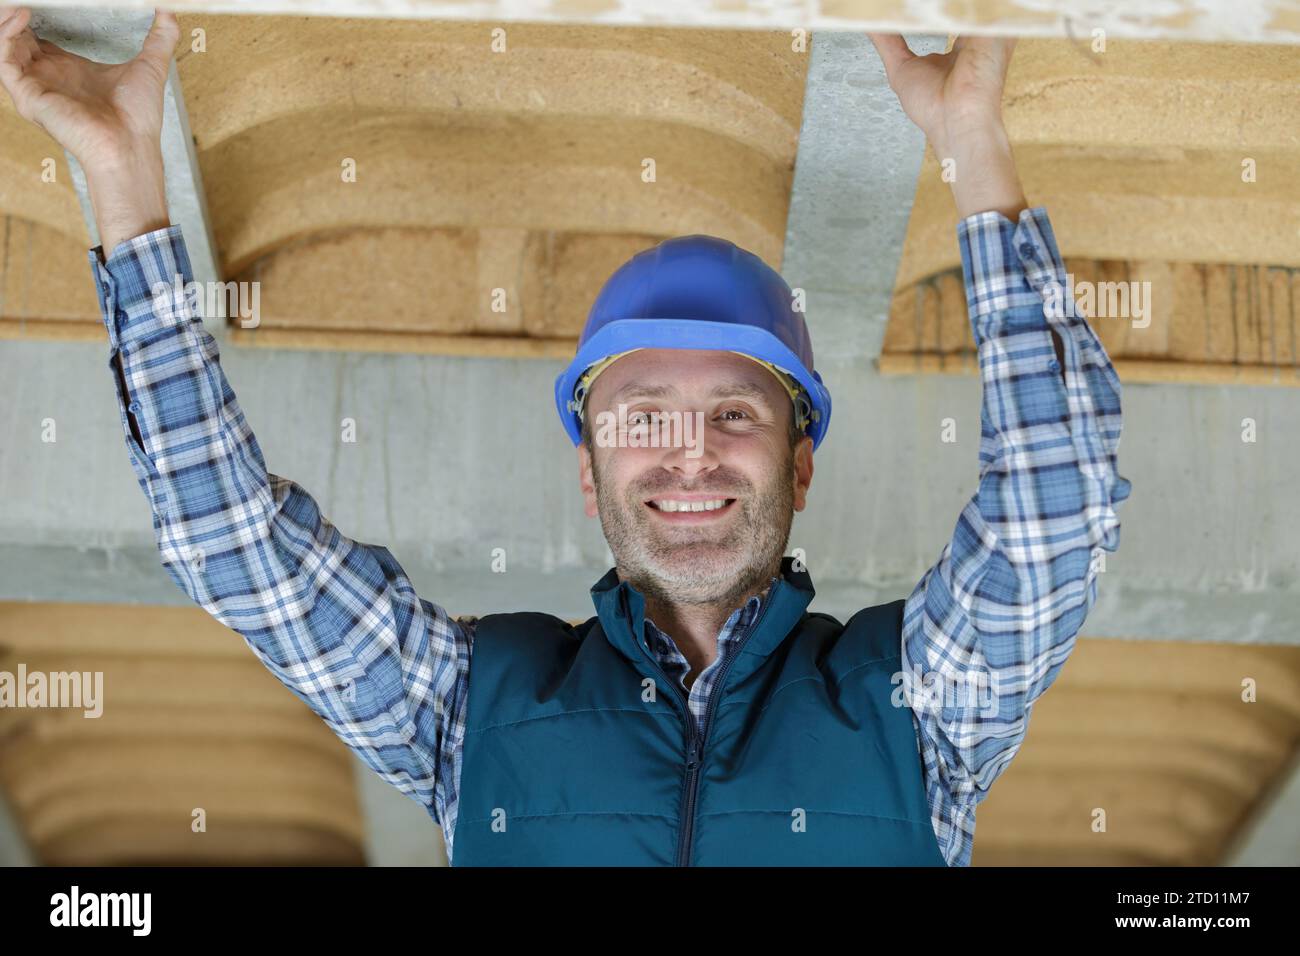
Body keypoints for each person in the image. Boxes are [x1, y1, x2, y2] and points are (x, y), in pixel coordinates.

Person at [1, 6, 1130, 865]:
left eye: (734, 414)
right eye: (642, 420)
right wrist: (117, 166)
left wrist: (972, 145)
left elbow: (1055, 513)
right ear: (588, 474)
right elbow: (234, 547)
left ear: (800, 459)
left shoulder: (914, 706)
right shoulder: (473, 711)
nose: (690, 454)